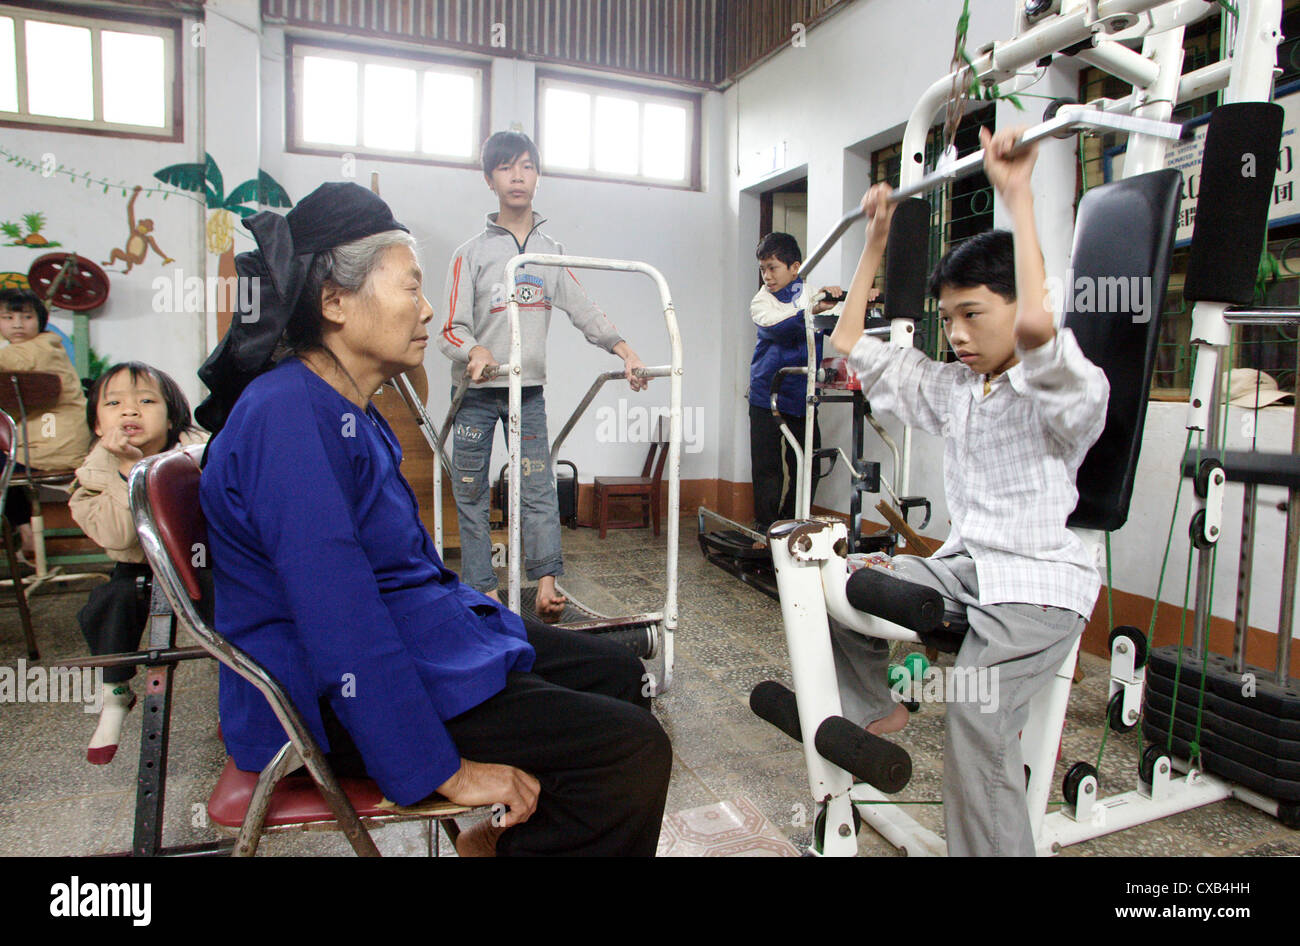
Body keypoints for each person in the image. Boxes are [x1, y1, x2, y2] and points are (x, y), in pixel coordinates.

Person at [198, 182, 671, 856]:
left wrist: (484, 631)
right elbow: (340, 620)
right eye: (410, 288)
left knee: (618, 674)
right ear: (333, 301)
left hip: (411, 635)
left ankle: (507, 844)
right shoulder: (287, 417)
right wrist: (445, 770)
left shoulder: (346, 408)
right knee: (631, 749)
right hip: (328, 697)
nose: (427, 310)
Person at [827, 126, 1109, 856]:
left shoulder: (1066, 389)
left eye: (973, 314)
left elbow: (1040, 330)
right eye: (947, 318)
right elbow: (846, 346)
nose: (955, 333)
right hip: (967, 567)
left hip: (1038, 588)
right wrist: (875, 241)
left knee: (975, 714)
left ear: (1016, 304)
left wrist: (1018, 195)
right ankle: (878, 709)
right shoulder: (956, 386)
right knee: (843, 578)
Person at [437, 131, 649, 622]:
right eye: (506, 167)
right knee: (471, 493)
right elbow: (450, 328)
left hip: (526, 392)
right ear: (489, 179)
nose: (517, 176)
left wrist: (625, 350)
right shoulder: (470, 253)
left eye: (527, 166)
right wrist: (474, 350)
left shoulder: (551, 253)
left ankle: (546, 585)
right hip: (474, 393)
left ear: (537, 176)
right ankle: (484, 590)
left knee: (537, 487)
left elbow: (585, 310)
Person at [69, 362, 207, 763]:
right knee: (109, 603)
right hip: (138, 563)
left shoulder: (200, 454)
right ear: (98, 426)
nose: (130, 410)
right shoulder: (92, 474)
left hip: (201, 560)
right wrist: (128, 473)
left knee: (238, 608)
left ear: (172, 417)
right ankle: (114, 693)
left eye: (146, 401)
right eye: (114, 403)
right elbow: (118, 537)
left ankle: (239, 695)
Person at [748, 233, 840, 534]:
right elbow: (780, 328)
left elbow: (842, 325)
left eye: (773, 268)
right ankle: (766, 529)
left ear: (794, 267)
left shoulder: (813, 295)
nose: (767, 276)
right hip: (766, 396)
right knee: (768, 468)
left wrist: (859, 298)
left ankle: (791, 524)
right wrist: (813, 310)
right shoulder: (762, 301)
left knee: (807, 465)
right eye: (763, 269)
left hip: (802, 397)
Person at [0, 288, 93, 557]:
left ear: (40, 320)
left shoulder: (43, 347)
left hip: (55, 440)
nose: (18, 324)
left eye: (27, 317)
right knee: (5, 464)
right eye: (8, 318)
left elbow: (13, 360)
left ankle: (23, 531)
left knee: (4, 465)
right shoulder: (24, 350)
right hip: (42, 439)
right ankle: (24, 531)